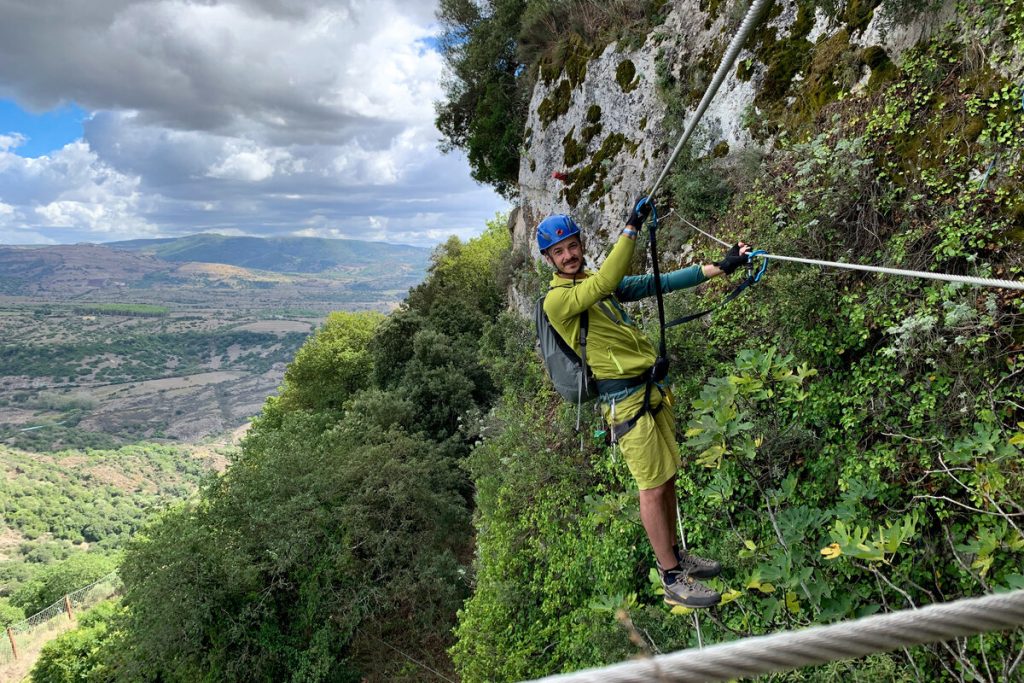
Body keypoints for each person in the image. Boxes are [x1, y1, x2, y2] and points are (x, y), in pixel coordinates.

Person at [537, 203, 750, 608]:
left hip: (650, 389)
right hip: (624, 402)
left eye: (572, 246)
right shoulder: (559, 300)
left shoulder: (594, 281)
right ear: (549, 259)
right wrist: (631, 227)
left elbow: (659, 282)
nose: (568, 255)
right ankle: (671, 577)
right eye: (559, 252)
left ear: (580, 245)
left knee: (667, 477)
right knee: (651, 487)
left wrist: (722, 267)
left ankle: (676, 554)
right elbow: (605, 283)